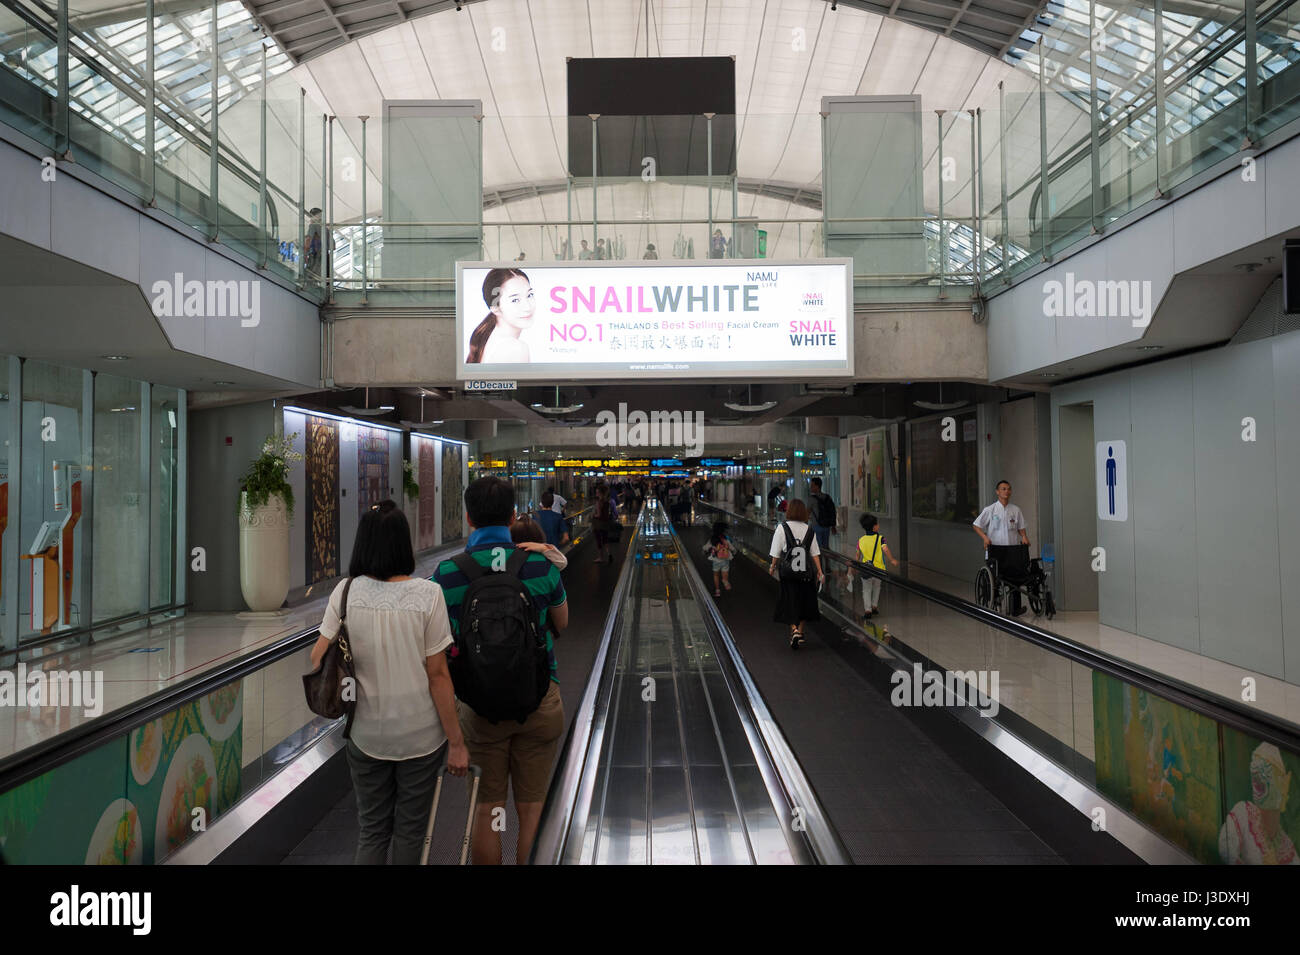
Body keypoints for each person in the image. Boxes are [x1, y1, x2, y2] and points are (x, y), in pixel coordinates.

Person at [310, 500, 468, 865]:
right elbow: (438, 675)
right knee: (411, 832)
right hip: (421, 736)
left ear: (362, 543)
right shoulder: (428, 595)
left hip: (366, 735)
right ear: (403, 543)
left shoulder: (346, 592)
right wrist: (457, 742)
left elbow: (318, 658)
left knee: (372, 830)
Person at [432, 477, 568, 866]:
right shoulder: (539, 564)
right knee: (531, 811)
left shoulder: (447, 573)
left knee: (489, 810)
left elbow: (437, 639)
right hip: (539, 700)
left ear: (469, 518)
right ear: (512, 517)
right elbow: (563, 621)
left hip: (478, 707)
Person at [768, 499, 823, 649]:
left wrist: (772, 566)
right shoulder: (809, 529)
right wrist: (820, 571)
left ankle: (794, 630)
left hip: (788, 573)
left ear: (789, 511)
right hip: (806, 573)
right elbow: (815, 553)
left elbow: (776, 551)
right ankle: (800, 631)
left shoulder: (782, 528)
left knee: (790, 600)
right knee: (804, 601)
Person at [972, 479, 1030, 616]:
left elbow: (1021, 527)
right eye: (1003, 489)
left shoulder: (1015, 510)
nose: (1006, 491)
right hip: (995, 550)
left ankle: (1015, 608)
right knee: (996, 578)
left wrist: (1024, 537)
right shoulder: (990, 510)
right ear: (997, 492)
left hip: (1012, 550)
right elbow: (976, 525)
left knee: (1015, 577)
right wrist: (985, 537)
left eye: (1008, 489)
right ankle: (995, 602)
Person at [465, 267, 534, 364]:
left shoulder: (490, 338)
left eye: (529, 295)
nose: (527, 307)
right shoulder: (515, 348)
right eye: (515, 300)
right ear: (495, 309)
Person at [856, 513, 899, 623]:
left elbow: (857, 555)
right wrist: (892, 559)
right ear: (874, 527)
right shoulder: (881, 538)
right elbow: (885, 549)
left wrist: (855, 565)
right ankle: (874, 606)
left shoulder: (861, 540)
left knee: (866, 589)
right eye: (877, 523)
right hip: (879, 570)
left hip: (866, 569)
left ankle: (867, 610)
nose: (878, 525)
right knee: (877, 587)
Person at [808, 476, 837, 554]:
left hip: (816, 526)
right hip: (826, 526)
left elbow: (807, 512)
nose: (810, 487)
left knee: (818, 548)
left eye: (812, 485)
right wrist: (833, 526)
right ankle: (827, 564)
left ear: (817, 486)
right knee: (826, 546)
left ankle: (820, 565)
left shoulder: (811, 499)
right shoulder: (828, 497)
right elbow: (832, 511)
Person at [704, 520, 734, 597]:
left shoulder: (712, 539)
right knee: (725, 572)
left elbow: (705, 548)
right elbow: (732, 548)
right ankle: (725, 581)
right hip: (725, 560)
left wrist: (706, 550)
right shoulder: (726, 539)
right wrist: (733, 551)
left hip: (716, 561)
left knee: (716, 575)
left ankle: (717, 590)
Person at [591, 482, 616, 563]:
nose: (596, 493)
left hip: (598, 524)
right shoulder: (608, 501)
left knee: (599, 541)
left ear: (600, 493)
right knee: (605, 540)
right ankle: (609, 554)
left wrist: (593, 515)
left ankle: (600, 557)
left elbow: (598, 515)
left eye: (597, 492)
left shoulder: (599, 502)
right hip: (606, 523)